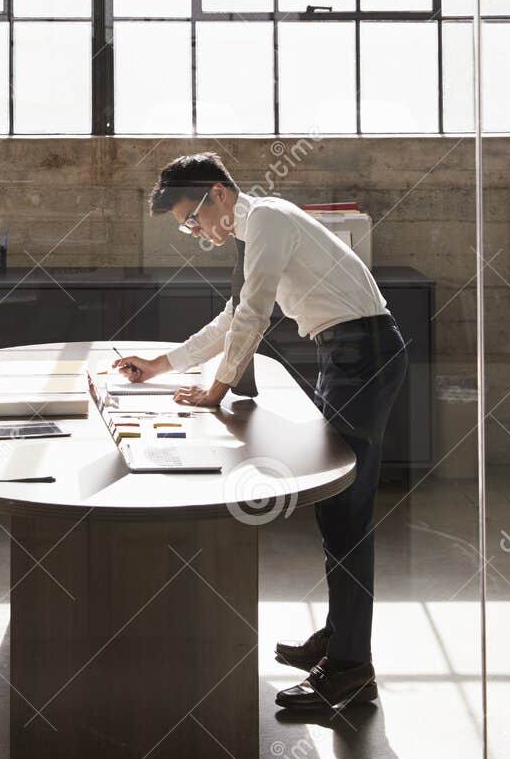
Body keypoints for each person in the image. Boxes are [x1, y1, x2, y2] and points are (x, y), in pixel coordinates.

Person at [113, 152, 407, 718]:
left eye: (193, 218)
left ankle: (350, 667)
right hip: (345, 352)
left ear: (220, 193)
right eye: (186, 226)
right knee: (337, 509)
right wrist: (159, 366)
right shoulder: (257, 231)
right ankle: (343, 638)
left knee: (346, 510)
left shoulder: (267, 218)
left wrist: (216, 390)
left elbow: (253, 315)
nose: (196, 232)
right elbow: (231, 318)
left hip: (362, 354)